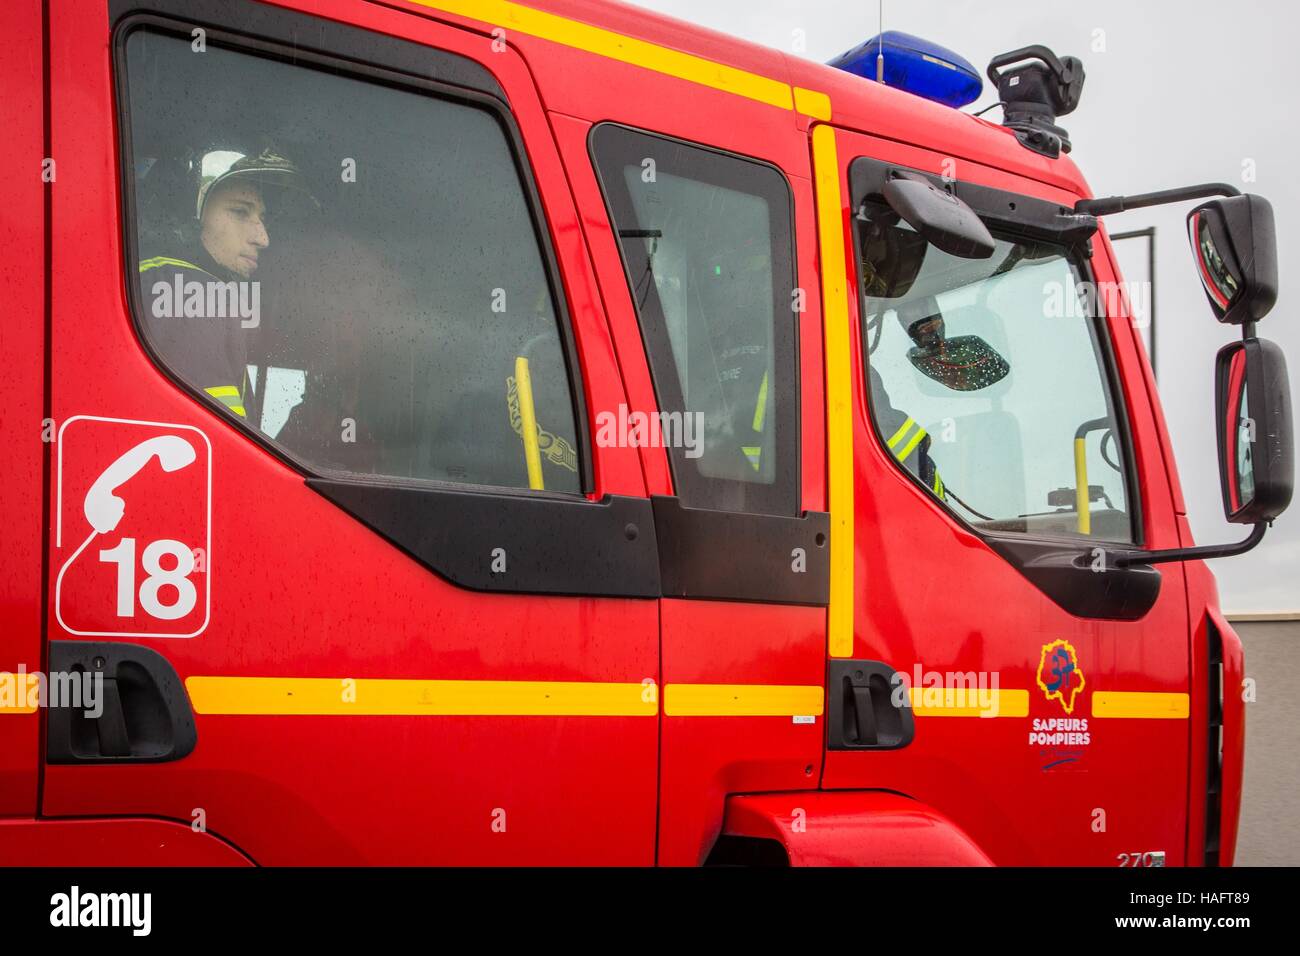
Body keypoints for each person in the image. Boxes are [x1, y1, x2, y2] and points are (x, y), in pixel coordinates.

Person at [137, 145, 316, 422]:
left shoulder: (156, 281)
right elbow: (219, 447)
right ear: (192, 214)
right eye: (240, 212)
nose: (263, 238)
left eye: (262, 218)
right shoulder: (188, 291)